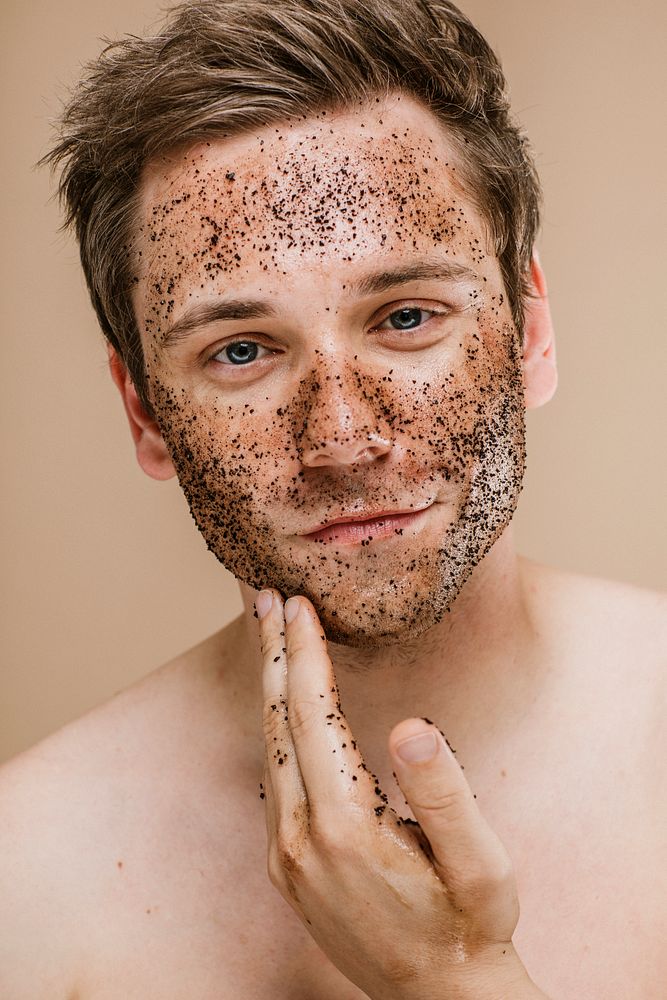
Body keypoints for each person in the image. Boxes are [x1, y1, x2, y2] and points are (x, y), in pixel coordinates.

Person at [0, 1, 664, 997]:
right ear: (144, 412)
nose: (342, 437)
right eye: (241, 350)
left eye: (405, 317)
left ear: (529, 335)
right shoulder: (25, 886)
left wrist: (449, 976)